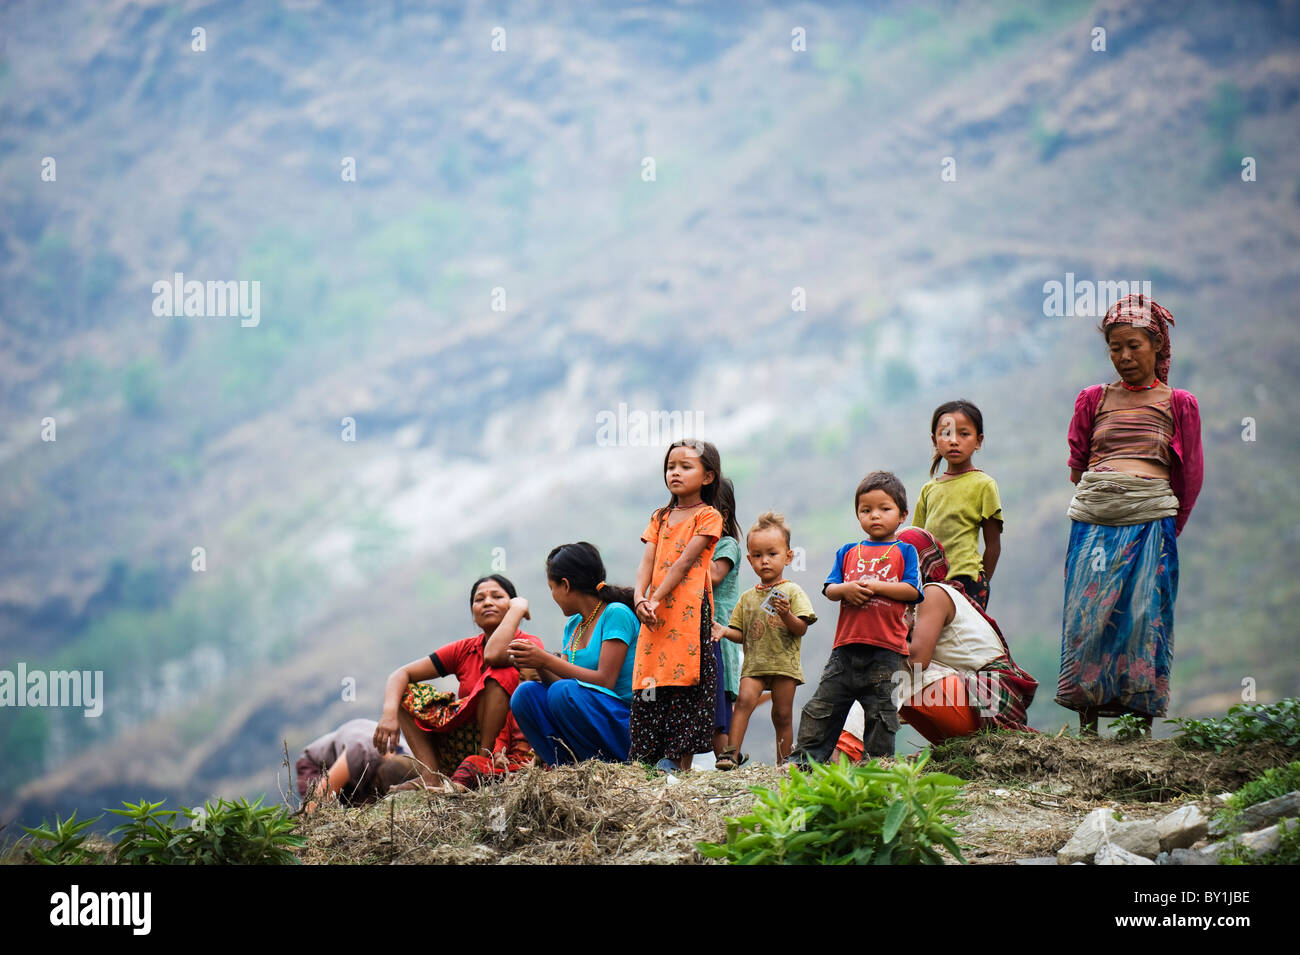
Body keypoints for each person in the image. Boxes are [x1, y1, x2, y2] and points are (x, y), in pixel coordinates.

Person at [1059, 294, 1202, 736]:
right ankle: (1087, 725)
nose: (1124, 356)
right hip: (1095, 520)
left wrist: (1165, 526)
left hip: (1151, 521)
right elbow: (1078, 464)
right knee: (1089, 613)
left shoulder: (1178, 403)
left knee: (1144, 614)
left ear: (1157, 345)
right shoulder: (1093, 399)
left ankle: (1138, 724)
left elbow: (1190, 474)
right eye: (1115, 347)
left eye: (1134, 345)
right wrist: (1111, 490)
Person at [788, 471, 922, 765]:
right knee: (822, 707)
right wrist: (846, 589)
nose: (875, 516)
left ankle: (877, 767)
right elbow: (830, 589)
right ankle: (802, 763)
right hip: (845, 650)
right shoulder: (848, 552)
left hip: (886, 652)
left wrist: (875, 586)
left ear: (902, 514)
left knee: (881, 713)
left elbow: (912, 590)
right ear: (858, 514)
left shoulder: (905, 552)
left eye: (884, 509)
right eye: (866, 510)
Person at [373, 574, 543, 788]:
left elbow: (495, 656)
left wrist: (517, 611)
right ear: (473, 613)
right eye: (479, 599)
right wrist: (389, 714)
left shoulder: (528, 644)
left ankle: (483, 767)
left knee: (500, 674)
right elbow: (401, 674)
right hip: (463, 743)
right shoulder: (465, 649)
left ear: (512, 607)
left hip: (506, 749)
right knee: (402, 692)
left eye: (497, 596)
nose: (487, 602)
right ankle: (431, 775)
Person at [631, 439, 725, 772]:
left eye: (686, 466)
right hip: (654, 615)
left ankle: (680, 767)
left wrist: (654, 599)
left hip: (689, 615)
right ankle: (646, 762)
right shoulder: (660, 517)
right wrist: (639, 597)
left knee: (686, 683)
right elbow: (647, 561)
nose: (676, 472)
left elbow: (685, 562)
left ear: (708, 476)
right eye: (671, 466)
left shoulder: (708, 516)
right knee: (650, 682)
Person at [895, 527, 1037, 742]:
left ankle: (847, 748)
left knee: (888, 665)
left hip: (990, 698)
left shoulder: (933, 593)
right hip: (982, 699)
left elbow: (917, 661)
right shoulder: (922, 602)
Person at [508, 543, 639, 764]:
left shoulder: (616, 614)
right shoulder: (573, 626)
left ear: (566, 585)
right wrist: (537, 663)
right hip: (588, 716)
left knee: (563, 692)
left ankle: (605, 765)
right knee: (526, 694)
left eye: (552, 587)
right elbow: (562, 680)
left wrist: (546, 658)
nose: (552, 595)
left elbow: (605, 681)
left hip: (624, 723)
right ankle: (567, 768)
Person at [713, 511, 816, 768]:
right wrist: (725, 631)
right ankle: (730, 754)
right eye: (757, 556)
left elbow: (801, 628)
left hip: (784, 666)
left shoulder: (792, 591)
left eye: (772, 554)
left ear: (788, 556)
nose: (765, 561)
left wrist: (787, 614)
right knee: (744, 703)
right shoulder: (747, 598)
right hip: (754, 666)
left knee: (781, 715)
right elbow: (741, 633)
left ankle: (784, 763)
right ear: (749, 559)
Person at [911, 400, 1003, 609]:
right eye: (946, 434)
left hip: (967, 580)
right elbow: (916, 542)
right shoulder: (929, 490)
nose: (954, 441)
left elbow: (993, 546)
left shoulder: (984, 485)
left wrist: (982, 584)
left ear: (978, 441)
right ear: (935, 440)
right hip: (930, 585)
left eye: (963, 434)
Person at [295, 718, 418, 812]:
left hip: (362, 764)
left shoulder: (410, 759)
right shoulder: (360, 754)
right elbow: (316, 803)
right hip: (318, 765)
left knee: (367, 809)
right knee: (327, 813)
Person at [709, 478, 744, 759]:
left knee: (721, 702)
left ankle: (727, 758)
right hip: (706, 634)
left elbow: (713, 576)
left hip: (721, 633)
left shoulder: (727, 544)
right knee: (708, 704)